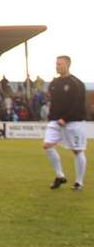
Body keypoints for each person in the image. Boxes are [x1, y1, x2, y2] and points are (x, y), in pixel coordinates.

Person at [43, 55, 87, 190]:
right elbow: (53, 102)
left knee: (77, 151)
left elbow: (78, 104)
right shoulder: (54, 83)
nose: (57, 66)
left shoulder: (76, 83)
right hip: (55, 121)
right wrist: (51, 116)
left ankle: (79, 182)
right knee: (47, 145)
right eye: (56, 64)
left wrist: (66, 118)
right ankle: (59, 175)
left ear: (68, 65)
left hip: (74, 122)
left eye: (59, 64)